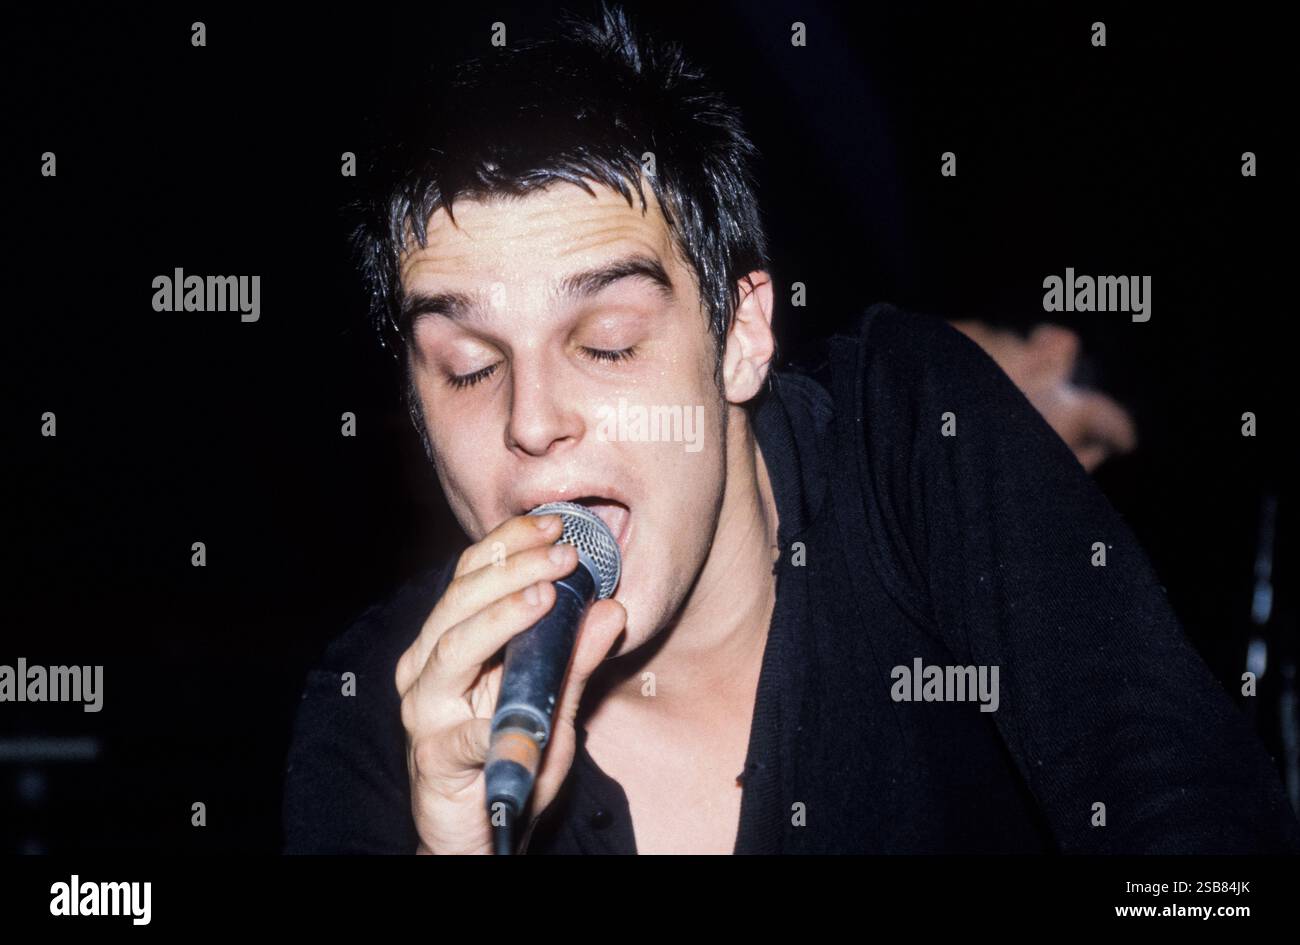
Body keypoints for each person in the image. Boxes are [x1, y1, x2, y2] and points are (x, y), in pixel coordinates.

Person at [281, 3, 1300, 854]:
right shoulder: (370, 718)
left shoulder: (911, 432)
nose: (532, 420)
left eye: (607, 342)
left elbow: (1193, 832)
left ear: (741, 335)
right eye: (469, 369)